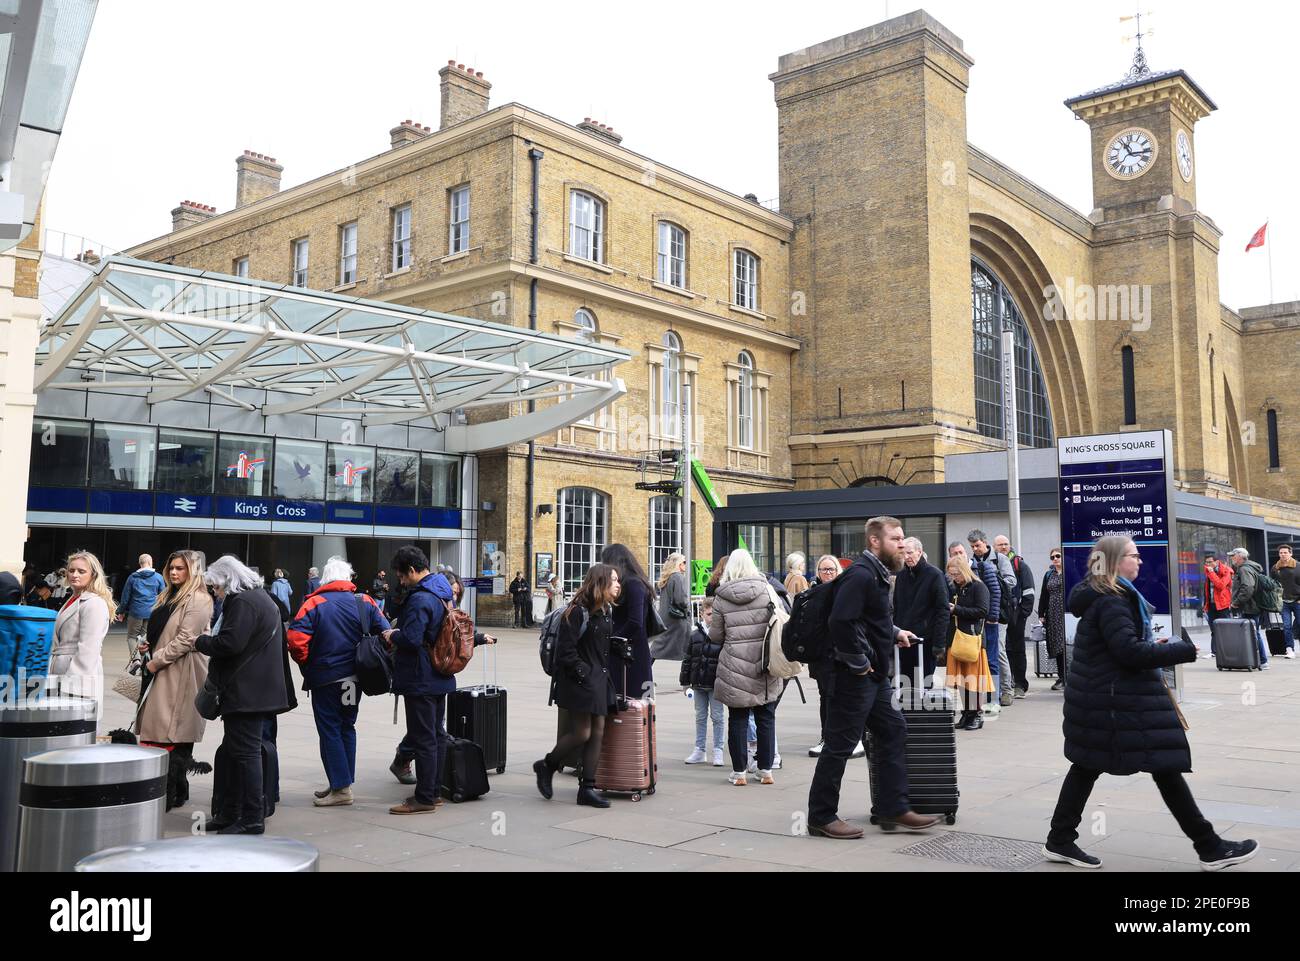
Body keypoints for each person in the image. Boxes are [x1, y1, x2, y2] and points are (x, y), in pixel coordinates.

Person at [1043, 535, 1258, 871]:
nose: (1140, 561)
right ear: (1115, 562)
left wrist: (1150, 643)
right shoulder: (1113, 600)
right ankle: (1210, 847)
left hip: (1103, 701)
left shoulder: (1103, 595)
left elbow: (1119, 646)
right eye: (1134, 555)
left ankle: (1060, 839)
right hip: (1115, 703)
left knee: (1090, 765)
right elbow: (1129, 652)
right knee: (1161, 767)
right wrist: (1180, 649)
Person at [807, 517, 941, 839]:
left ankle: (893, 807)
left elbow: (867, 621)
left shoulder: (878, 576)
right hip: (855, 678)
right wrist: (859, 663)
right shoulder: (862, 575)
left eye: (903, 538)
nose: (902, 544)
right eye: (895, 538)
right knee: (840, 745)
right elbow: (840, 621)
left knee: (894, 730)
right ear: (874, 542)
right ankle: (820, 816)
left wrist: (895, 633)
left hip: (875, 677)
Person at [195, 555, 295, 835]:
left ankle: (251, 817)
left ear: (228, 580)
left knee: (246, 755)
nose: (215, 592)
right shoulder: (259, 598)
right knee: (233, 753)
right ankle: (231, 812)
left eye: (216, 586)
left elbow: (230, 643)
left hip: (247, 693)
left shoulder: (244, 602)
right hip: (254, 691)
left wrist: (200, 641)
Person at [288, 556, 390, 808]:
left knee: (330, 729)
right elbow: (386, 632)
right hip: (355, 678)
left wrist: (306, 663)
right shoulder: (364, 601)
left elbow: (296, 640)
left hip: (326, 678)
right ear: (348, 577)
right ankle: (341, 782)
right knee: (347, 726)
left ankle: (341, 787)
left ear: (325, 578)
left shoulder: (314, 603)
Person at [534, 563, 621, 807]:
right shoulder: (576, 612)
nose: (618, 585)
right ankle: (547, 765)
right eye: (613, 580)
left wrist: (617, 648)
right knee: (582, 732)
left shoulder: (605, 610)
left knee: (598, 733)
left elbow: (597, 643)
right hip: (579, 681)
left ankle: (587, 789)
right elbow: (566, 652)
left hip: (598, 680)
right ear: (601, 582)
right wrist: (583, 673)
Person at [135, 550, 213, 809]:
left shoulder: (199, 599)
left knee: (175, 730)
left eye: (181, 568)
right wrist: (149, 645)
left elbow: (185, 639)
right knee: (161, 730)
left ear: (193, 571)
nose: (174, 572)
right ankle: (173, 788)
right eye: (171, 568)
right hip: (161, 665)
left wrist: (155, 660)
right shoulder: (168, 594)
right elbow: (163, 630)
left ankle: (175, 790)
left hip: (180, 670)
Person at [383, 546, 454, 815]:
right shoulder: (444, 592)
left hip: (420, 676)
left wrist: (393, 635)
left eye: (402, 576)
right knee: (436, 735)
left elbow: (412, 638)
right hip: (440, 674)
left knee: (424, 737)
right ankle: (434, 792)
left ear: (412, 570)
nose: (401, 581)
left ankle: (424, 798)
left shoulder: (420, 598)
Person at [711, 548, 782, 786]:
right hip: (764, 663)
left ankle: (739, 772)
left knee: (738, 719)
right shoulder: (767, 589)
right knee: (766, 718)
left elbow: (716, 636)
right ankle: (765, 769)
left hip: (734, 665)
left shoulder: (722, 597)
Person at [49, 551, 114, 710]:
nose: (74, 575)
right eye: (71, 570)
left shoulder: (94, 603)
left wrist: (72, 684)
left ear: (93, 575)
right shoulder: (72, 599)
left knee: (73, 727)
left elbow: (88, 648)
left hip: (77, 675)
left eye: (81, 571)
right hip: (60, 669)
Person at [600, 544, 655, 702]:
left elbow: (635, 622)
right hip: (628, 648)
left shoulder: (633, 584)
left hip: (631, 651)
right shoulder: (632, 582)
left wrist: (613, 639)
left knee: (633, 700)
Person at [895, 537, 949, 688]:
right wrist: (896, 634)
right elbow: (897, 608)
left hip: (925, 640)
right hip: (904, 640)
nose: (906, 557)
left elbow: (943, 610)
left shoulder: (934, 575)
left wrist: (939, 643)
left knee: (923, 686)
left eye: (910, 553)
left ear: (920, 552)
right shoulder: (901, 576)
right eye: (903, 553)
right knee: (905, 686)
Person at [945, 555, 992, 731]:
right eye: (951, 574)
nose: (954, 577)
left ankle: (976, 714)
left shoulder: (978, 587)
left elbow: (982, 611)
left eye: (956, 574)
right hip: (957, 639)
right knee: (962, 681)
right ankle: (966, 713)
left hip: (972, 640)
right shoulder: (955, 588)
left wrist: (956, 609)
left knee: (973, 681)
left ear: (965, 570)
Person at [807, 555, 847, 758]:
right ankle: (827, 738)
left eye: (831, 569)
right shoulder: (813, 592)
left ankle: (842, 738)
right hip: (821, 655)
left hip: (842, 654)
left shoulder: (845, 591)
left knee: (839, 697)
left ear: (838, 571)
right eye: (824, 570)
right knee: (826, 697)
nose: (828, 573)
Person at [967, 531, 1010, 711]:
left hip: (994, 617)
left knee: (997, 653)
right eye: (972, 547)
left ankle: (1004, 691)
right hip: (982, 618)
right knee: (987, 656)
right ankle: (991, 696)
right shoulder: (973, 563)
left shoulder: (997, 560)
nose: (975, 549)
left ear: (985, 543)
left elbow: (1005, 586)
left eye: (977, 545)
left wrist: (992, 616)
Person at [680, 596, 725, 766]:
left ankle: (718, 750)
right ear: (701, 614)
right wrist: (685, 682)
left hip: (715, 683)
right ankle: (699, 749)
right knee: (700, 716)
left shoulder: (721, 634)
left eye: (714, 614)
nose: (711, 617)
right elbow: (688, 659)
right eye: (708, 614)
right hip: (698, 682)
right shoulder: (695, 634)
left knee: (718, 717)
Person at [994, 534, 1036, 698]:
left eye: (1006, 544)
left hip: (1016, 615)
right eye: (1000, 545)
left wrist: (1022, 614)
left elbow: (1029, 591)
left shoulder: (1020, 565)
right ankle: (1007, 682)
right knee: (1003, 649)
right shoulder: (993, 564)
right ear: (995, 547)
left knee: (1017, 649)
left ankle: (1020, 684)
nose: (1004, 547)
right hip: (1001, 614)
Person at [1227, 547, 1271, 668]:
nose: (1232, 558)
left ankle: (1262, 661)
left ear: (1240, 556)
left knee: (1253, 633)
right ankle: (1256, 659)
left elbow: (1248, 587)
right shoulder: (1248, 567)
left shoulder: (1244, 569)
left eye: (1233, 556)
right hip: (1252, 606)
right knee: (1253, 632)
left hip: (1250, 607)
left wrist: (1236, 602)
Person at [117, 554, 166, 655]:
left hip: (135, 612)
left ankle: (136, 660)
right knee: (145, 639)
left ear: (140, 564)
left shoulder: (132, 577)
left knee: (132, 637)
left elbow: (125, 597)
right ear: (151, 562)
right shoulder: (159, 577)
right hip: (151, 613)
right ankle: (144, 664)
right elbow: (163, 597)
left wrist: (121, 611)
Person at [1037, 548, 1068, 690]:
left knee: (1067, 645)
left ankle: (1069, 677)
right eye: (1052, 557)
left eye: (1058, 556)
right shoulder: (1049, 574)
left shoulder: (1069, 571)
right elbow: (1044, 594)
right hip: (1053, 614)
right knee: (1056, 646)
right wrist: (1041, 614)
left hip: (1066, 613)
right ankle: (1061, 677)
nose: (1055, 559)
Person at [654, 553, 691, 661]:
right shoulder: (678, 577)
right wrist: (687, 607)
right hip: (677, 619)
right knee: (687, 649)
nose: (685, 564)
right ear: (678, 564)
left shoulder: (668, 577)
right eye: (684, 562)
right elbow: (680, 600)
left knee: (660, 645)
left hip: (667, 617)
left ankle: (645, 666)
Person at [1202, 553, 1233, 658]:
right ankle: (1214, 651)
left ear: (1216, 561)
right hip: (1211, 604)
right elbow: (1206, 590)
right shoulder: (1208, 571)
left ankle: (1228, 650)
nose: (1208, 564)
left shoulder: (1226, 571)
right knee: (1214, 629)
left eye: (1210, 562)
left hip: (1223, 605)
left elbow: (1220, 585)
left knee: (1225, 629)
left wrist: (1211, 573)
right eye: (1206, 562)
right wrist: (1205, 604)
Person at [1271, 545, 1298, 658]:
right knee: (1286, 626)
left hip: (1297, 601)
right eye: (1281, 553)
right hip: (1283, 602)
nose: (1283, 554)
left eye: (1285, 552)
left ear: (1290, 554)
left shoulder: (1298, 566)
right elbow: (1273, 584)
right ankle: (1289, 649)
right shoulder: (1275, 568)